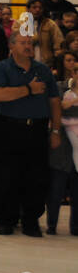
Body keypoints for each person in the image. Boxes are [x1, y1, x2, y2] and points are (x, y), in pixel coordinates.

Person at [0, 32, 62, 236]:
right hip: (8, 128)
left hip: (37, 129)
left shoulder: (43, 70)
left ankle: (31, 221)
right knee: (6, 176)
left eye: (30, 43)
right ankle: (6, 220)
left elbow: (54, 102)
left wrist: (55, 130)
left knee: (36, 177)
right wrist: (28, 89)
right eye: (23, 42)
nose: (27, 46)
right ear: (12, 46)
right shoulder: (1, 68)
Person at [46, 52, 78, 235]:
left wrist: (66, 111)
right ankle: (51, 225)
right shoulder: (59, 88)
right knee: (56, 188)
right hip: (62, 146)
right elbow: (55, 111)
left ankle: (75, 227)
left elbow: (65, 112)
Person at [24, 0, 64, 70]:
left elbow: (59, 44)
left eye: (40, 7)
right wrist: (34, 39)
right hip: (25, 64)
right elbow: (15, 44)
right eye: (34, 7)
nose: (38, 10)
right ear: (28, 9)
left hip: (46, 65)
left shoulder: (50, 24)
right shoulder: (20, 24)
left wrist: (56, 62)